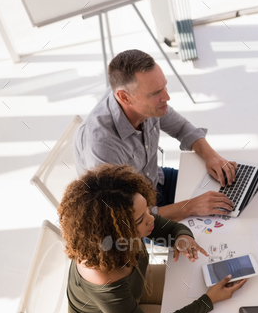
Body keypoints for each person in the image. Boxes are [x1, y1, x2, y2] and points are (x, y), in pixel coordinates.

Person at [59, 164, 246, 313]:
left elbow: (173, 229)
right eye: (141, 220)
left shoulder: (128, 222)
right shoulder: (102, 275)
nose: (151, 220)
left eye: (148, 210)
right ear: (116, 233)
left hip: (136, 286)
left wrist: (182, 238)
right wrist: (208, 300)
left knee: (197, 281)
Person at [74, 48, 237, 221]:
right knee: (213, 234)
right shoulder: (102, 146)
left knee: (230, 193)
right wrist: (190, 207)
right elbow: (128, 219)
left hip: (155, 180)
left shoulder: (141, 101)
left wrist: (211, 156)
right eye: (155, 94)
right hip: (139, 217)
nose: (166, 97)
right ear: (125, 97)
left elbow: (182, 128)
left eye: (164, 86)